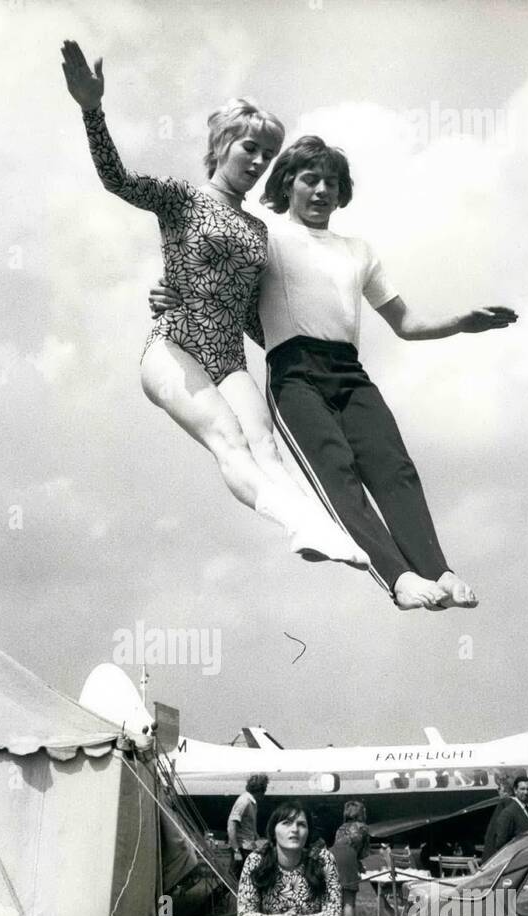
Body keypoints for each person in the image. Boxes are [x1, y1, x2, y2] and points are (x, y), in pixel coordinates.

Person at [152, 134, 518, 610]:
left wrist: (462, 324)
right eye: (310, 179)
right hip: (295, 374)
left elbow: (405, 324)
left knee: (395, 468)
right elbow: (214, 281)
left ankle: (437, 568)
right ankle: (399, 579)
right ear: (287, 184)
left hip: (350, 373)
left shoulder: (358, 250)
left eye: (332, 181)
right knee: (337, 473)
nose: (322, 190)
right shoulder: (266, 237)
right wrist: (172, 294)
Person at [60, 41, 367, 568]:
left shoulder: (256, 230)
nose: (259, 161)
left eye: (268, 155)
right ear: (223, 143)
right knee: (228, 438)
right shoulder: (183, 199)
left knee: (266, 445)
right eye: (250, 147)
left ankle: (321, 532)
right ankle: (303, 523)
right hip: (174, 344)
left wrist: (321, 356)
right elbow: (118, 180)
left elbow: (255, 317)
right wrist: (92, 109)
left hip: (228, 357)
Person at [237, 800, 341, 916]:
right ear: (273, 830)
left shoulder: (323, 860)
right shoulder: (256, 861)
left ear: (309, 832)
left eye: (302, 824)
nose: (294, 829)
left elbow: (334, 914)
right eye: (286, 823)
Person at [330, 800, 370, 916]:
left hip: (332, 854)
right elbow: (363, 853)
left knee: (337, 897)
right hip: (348, 856)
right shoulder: (363, 828)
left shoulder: (341, 827)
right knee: (349, 901)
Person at [481, 775, 528, 858]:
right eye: (522, 789)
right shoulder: (509, 812)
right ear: (515, 790)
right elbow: (501, 843)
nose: (526, 792)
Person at [227, 773, 268, 870]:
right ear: (259, 790)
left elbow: (250, 827)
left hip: (248, 847)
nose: (264, 794)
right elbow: (231, 826)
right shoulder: (244, 801)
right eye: (264, 790)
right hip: (242, 849)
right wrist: (236, 850)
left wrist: (258, 840)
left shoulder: (251, 802)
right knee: (237, 879)